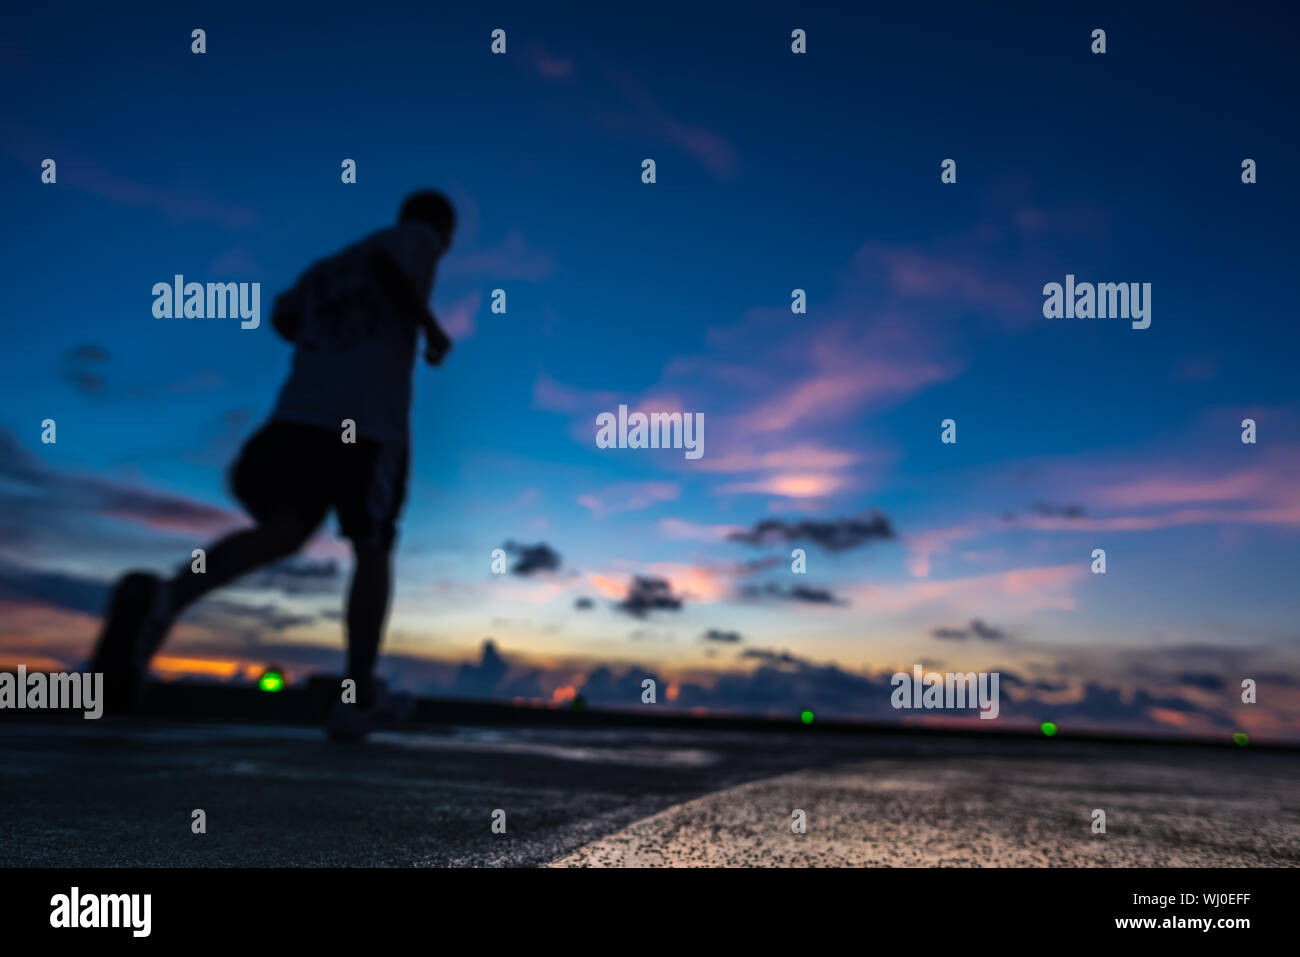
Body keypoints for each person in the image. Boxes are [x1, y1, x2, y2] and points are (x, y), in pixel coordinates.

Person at [91, 190, 456, 740]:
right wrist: (427, 326)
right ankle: (356, 696)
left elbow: (283, 315)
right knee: (373, 545)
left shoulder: (328, 267)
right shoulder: (415, 240)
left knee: (283, 532)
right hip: (366, 426)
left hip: (296, 421)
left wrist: (330, 340)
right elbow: (389, 267)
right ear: (441, 227)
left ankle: (166, 598)